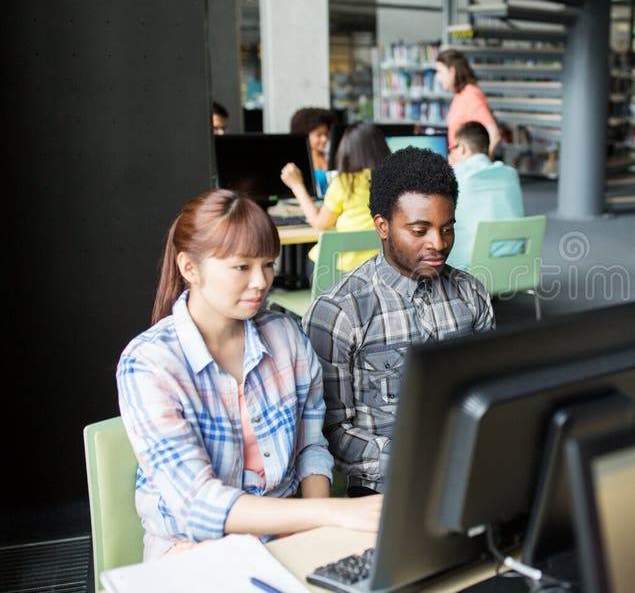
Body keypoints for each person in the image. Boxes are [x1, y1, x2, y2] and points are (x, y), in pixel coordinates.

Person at [116, 189, 381, 560]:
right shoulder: (149, 363)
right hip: (193, 553)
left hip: (288, 537)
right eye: (242, 267)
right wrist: (330, 512)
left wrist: (316, 538)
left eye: (268, 264)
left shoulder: (288, 337)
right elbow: (199, 504)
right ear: (189, 268)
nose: (261, 281)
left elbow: (311, 448)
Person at [302, 147, 494, 496]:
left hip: (470, 472)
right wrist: (418, 460)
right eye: (420, 231)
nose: (438, 243)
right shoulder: (339, 313)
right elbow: (330, 432)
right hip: (388, 489)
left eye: (447, 229)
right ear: (383, 226)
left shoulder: (471, 294)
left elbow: (491, 389)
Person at [281, 121, 389, 272]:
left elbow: (320, 224)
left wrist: (296, 185)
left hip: (339, 271)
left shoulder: (345, 181)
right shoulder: (394, 181)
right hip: (378, 269)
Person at [446, 120, 525, 270]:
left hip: (471, 270)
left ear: (462, 148)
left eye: (454, 147)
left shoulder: (456, 175)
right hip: (515, 266)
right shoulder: (511, 174)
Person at [435, 49, 500, 157]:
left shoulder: (471, 95)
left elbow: (494, 135)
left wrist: (480, 165)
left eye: (440, 71)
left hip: (468, 170)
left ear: (452, 71)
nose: (437, 77)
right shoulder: (460, 95)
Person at [289, 107, 336, 197]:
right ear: (304, 135)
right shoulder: (297, 163)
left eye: (326, 134)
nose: (324, 139)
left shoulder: (332, 158)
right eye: (318, 135)